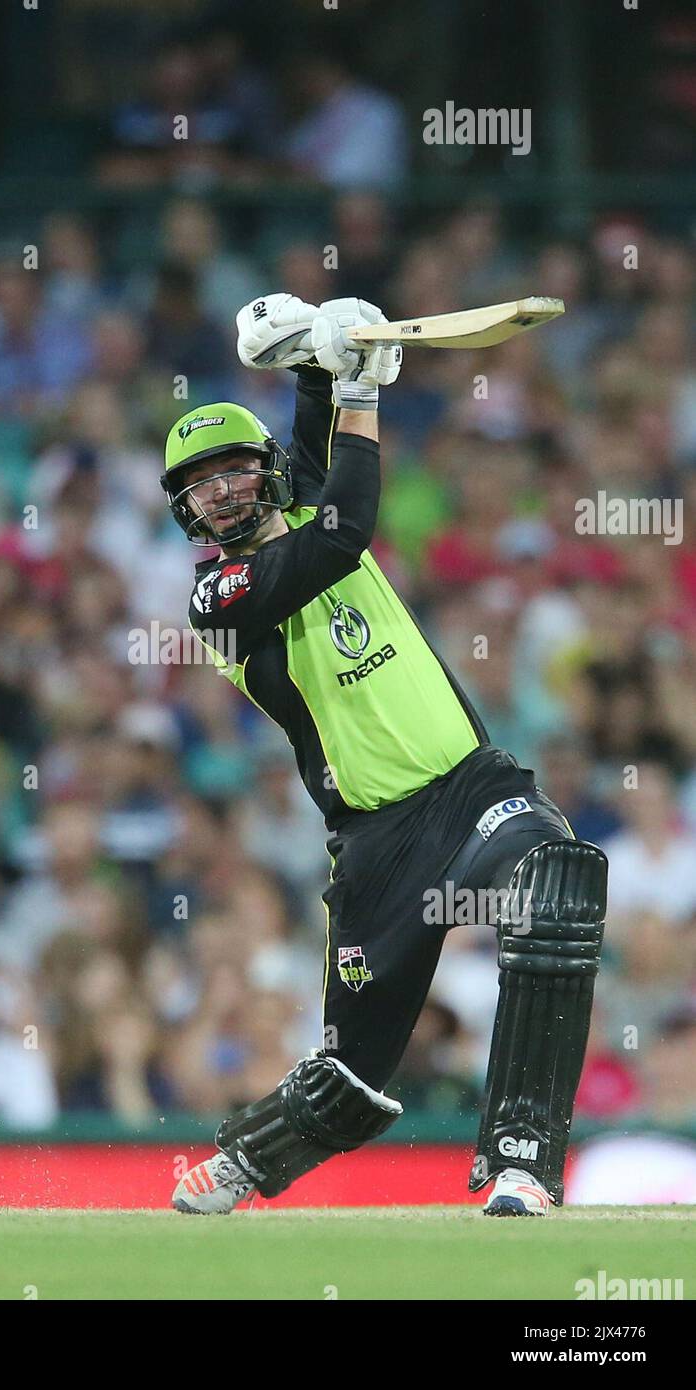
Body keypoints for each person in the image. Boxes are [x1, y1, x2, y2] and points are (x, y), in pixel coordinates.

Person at [162, 293, 608, 1216]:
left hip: (472, 787)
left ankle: (520, 1161)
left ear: (269, 471)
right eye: (203, 487)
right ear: (187, 515)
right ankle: (247, 1161)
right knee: (354, 1083)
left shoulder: (309, 500)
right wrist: (358, 387)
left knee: (558, 879)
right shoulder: (221, 599)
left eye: (239, 471)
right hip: (377, 844)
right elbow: (344, 528)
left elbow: (324, 459)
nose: (226, 493)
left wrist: (316, 355)